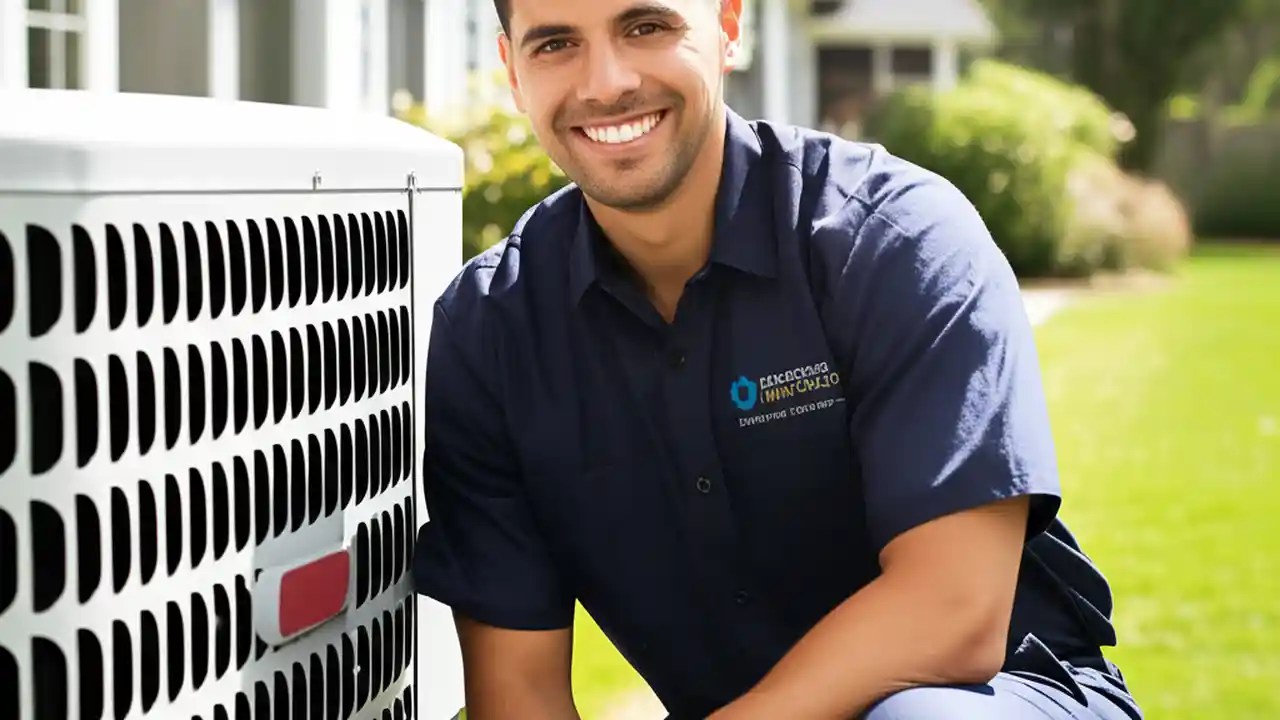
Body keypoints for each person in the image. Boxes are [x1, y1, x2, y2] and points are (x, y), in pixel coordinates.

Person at [412, 1, 1144, 718]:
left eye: (646, 27)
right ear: (513, 70)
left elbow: (951, 612)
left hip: (1004, 696)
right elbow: (520, 695)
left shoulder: (895, 240)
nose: (604, 83)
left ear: (730, 26)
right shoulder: (491, 330)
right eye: (555, 45)